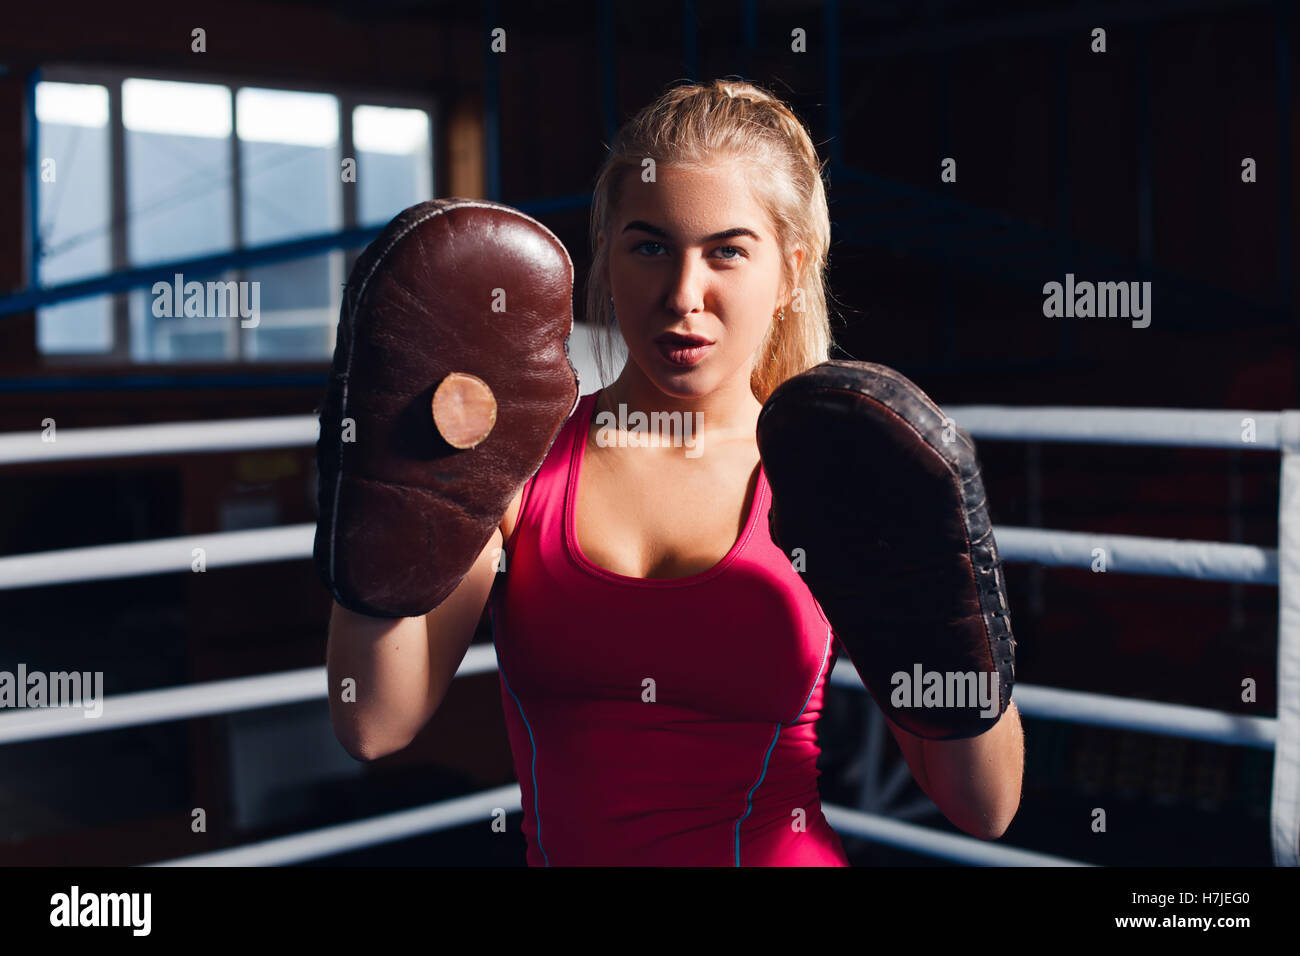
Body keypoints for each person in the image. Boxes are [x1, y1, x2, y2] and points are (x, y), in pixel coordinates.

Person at [324, 78, 1023, 867]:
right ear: (609, 255)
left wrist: (948, 608)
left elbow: (985, 805)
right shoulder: (522, 463)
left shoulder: (830, 475)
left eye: (727, 250)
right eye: (650, 245)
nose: (682, 295)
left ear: (790, 272)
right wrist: (391, 479)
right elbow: (374, 724)